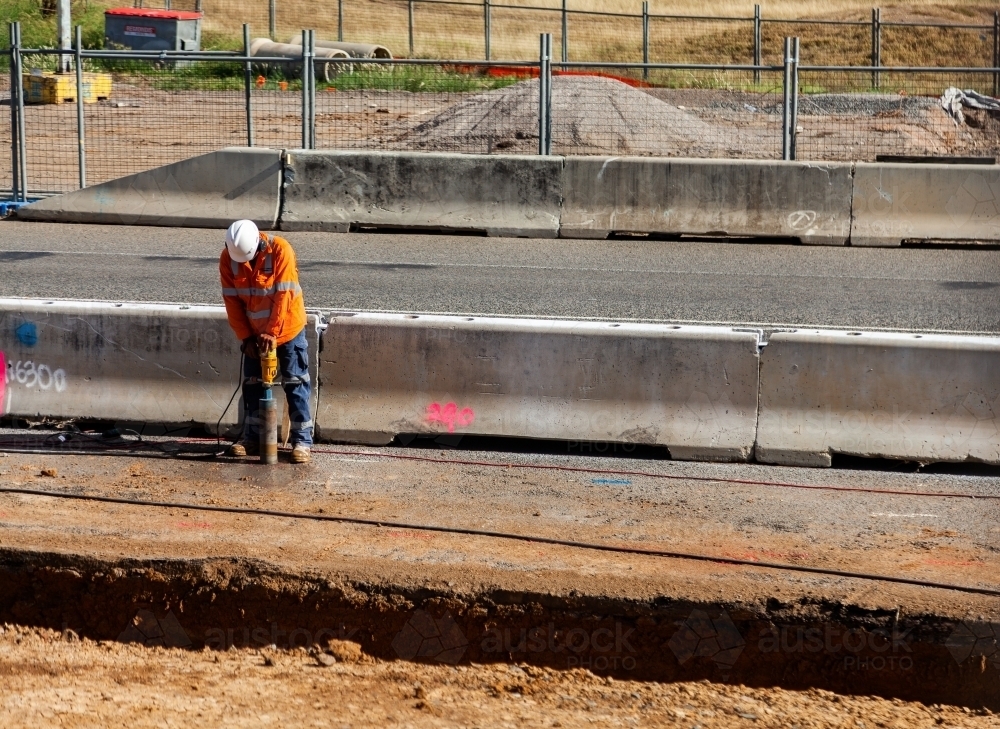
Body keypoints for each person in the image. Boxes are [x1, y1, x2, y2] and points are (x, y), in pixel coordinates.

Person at [220, 219, 312, 464]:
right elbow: (232, 301)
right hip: (255, 334)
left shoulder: (280, 250)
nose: (245, 264)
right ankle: (252, 438)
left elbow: (284, 295)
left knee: (295, 383)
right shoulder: (229, 258)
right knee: (253, 385)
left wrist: (272, 331)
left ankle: (302, 441)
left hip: (287, 329)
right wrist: (246, 337)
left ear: (259, 243)